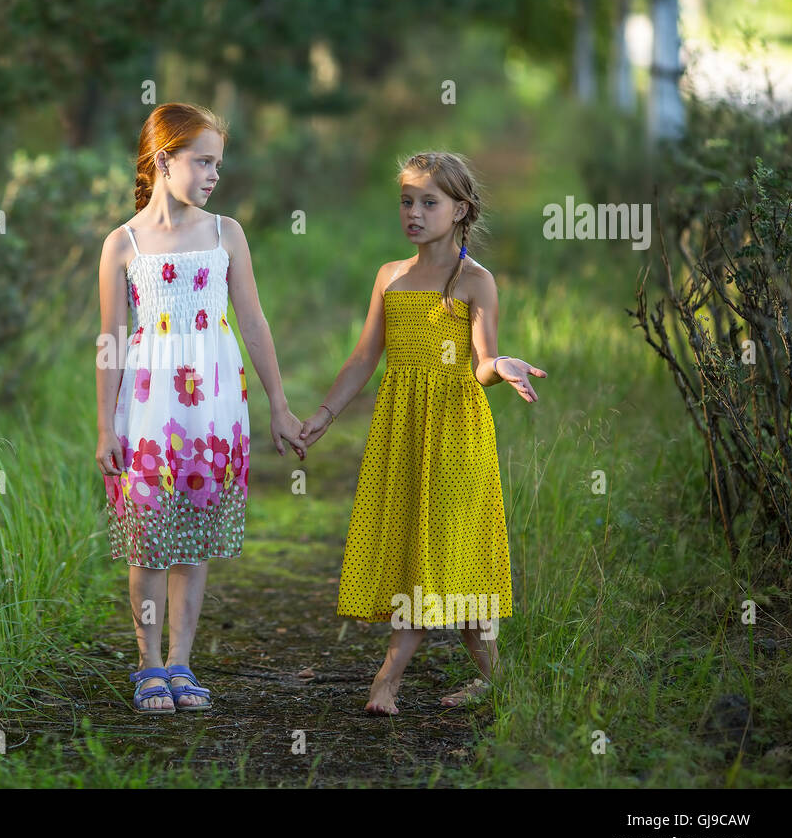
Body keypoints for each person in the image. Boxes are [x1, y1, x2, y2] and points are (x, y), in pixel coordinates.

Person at [299, 151, 546, 714]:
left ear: (460, 209)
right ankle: (498, 681)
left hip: (456, 434)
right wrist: (324, 414)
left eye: (428, 202)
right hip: (400, 431)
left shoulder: (476, 282)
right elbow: (365, 357)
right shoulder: (391, 276)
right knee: (423, 553)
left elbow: (481, 362)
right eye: (407, 201)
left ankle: (388, 678)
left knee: (449, 553)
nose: (414, 212)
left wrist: (500, 366)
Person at [95, 102, 306, 714]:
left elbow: (254, 321)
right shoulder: (123, 243)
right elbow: (110, 341)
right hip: (150, 404)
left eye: (219, 162)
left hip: (212, 406)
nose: (214, 174)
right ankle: (148, 665)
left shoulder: (225, 233)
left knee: (191, 542)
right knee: (149, 540)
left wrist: (279, 405)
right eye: (203, 161)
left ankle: (182, 663)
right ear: (164, 159)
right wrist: (104, 424)